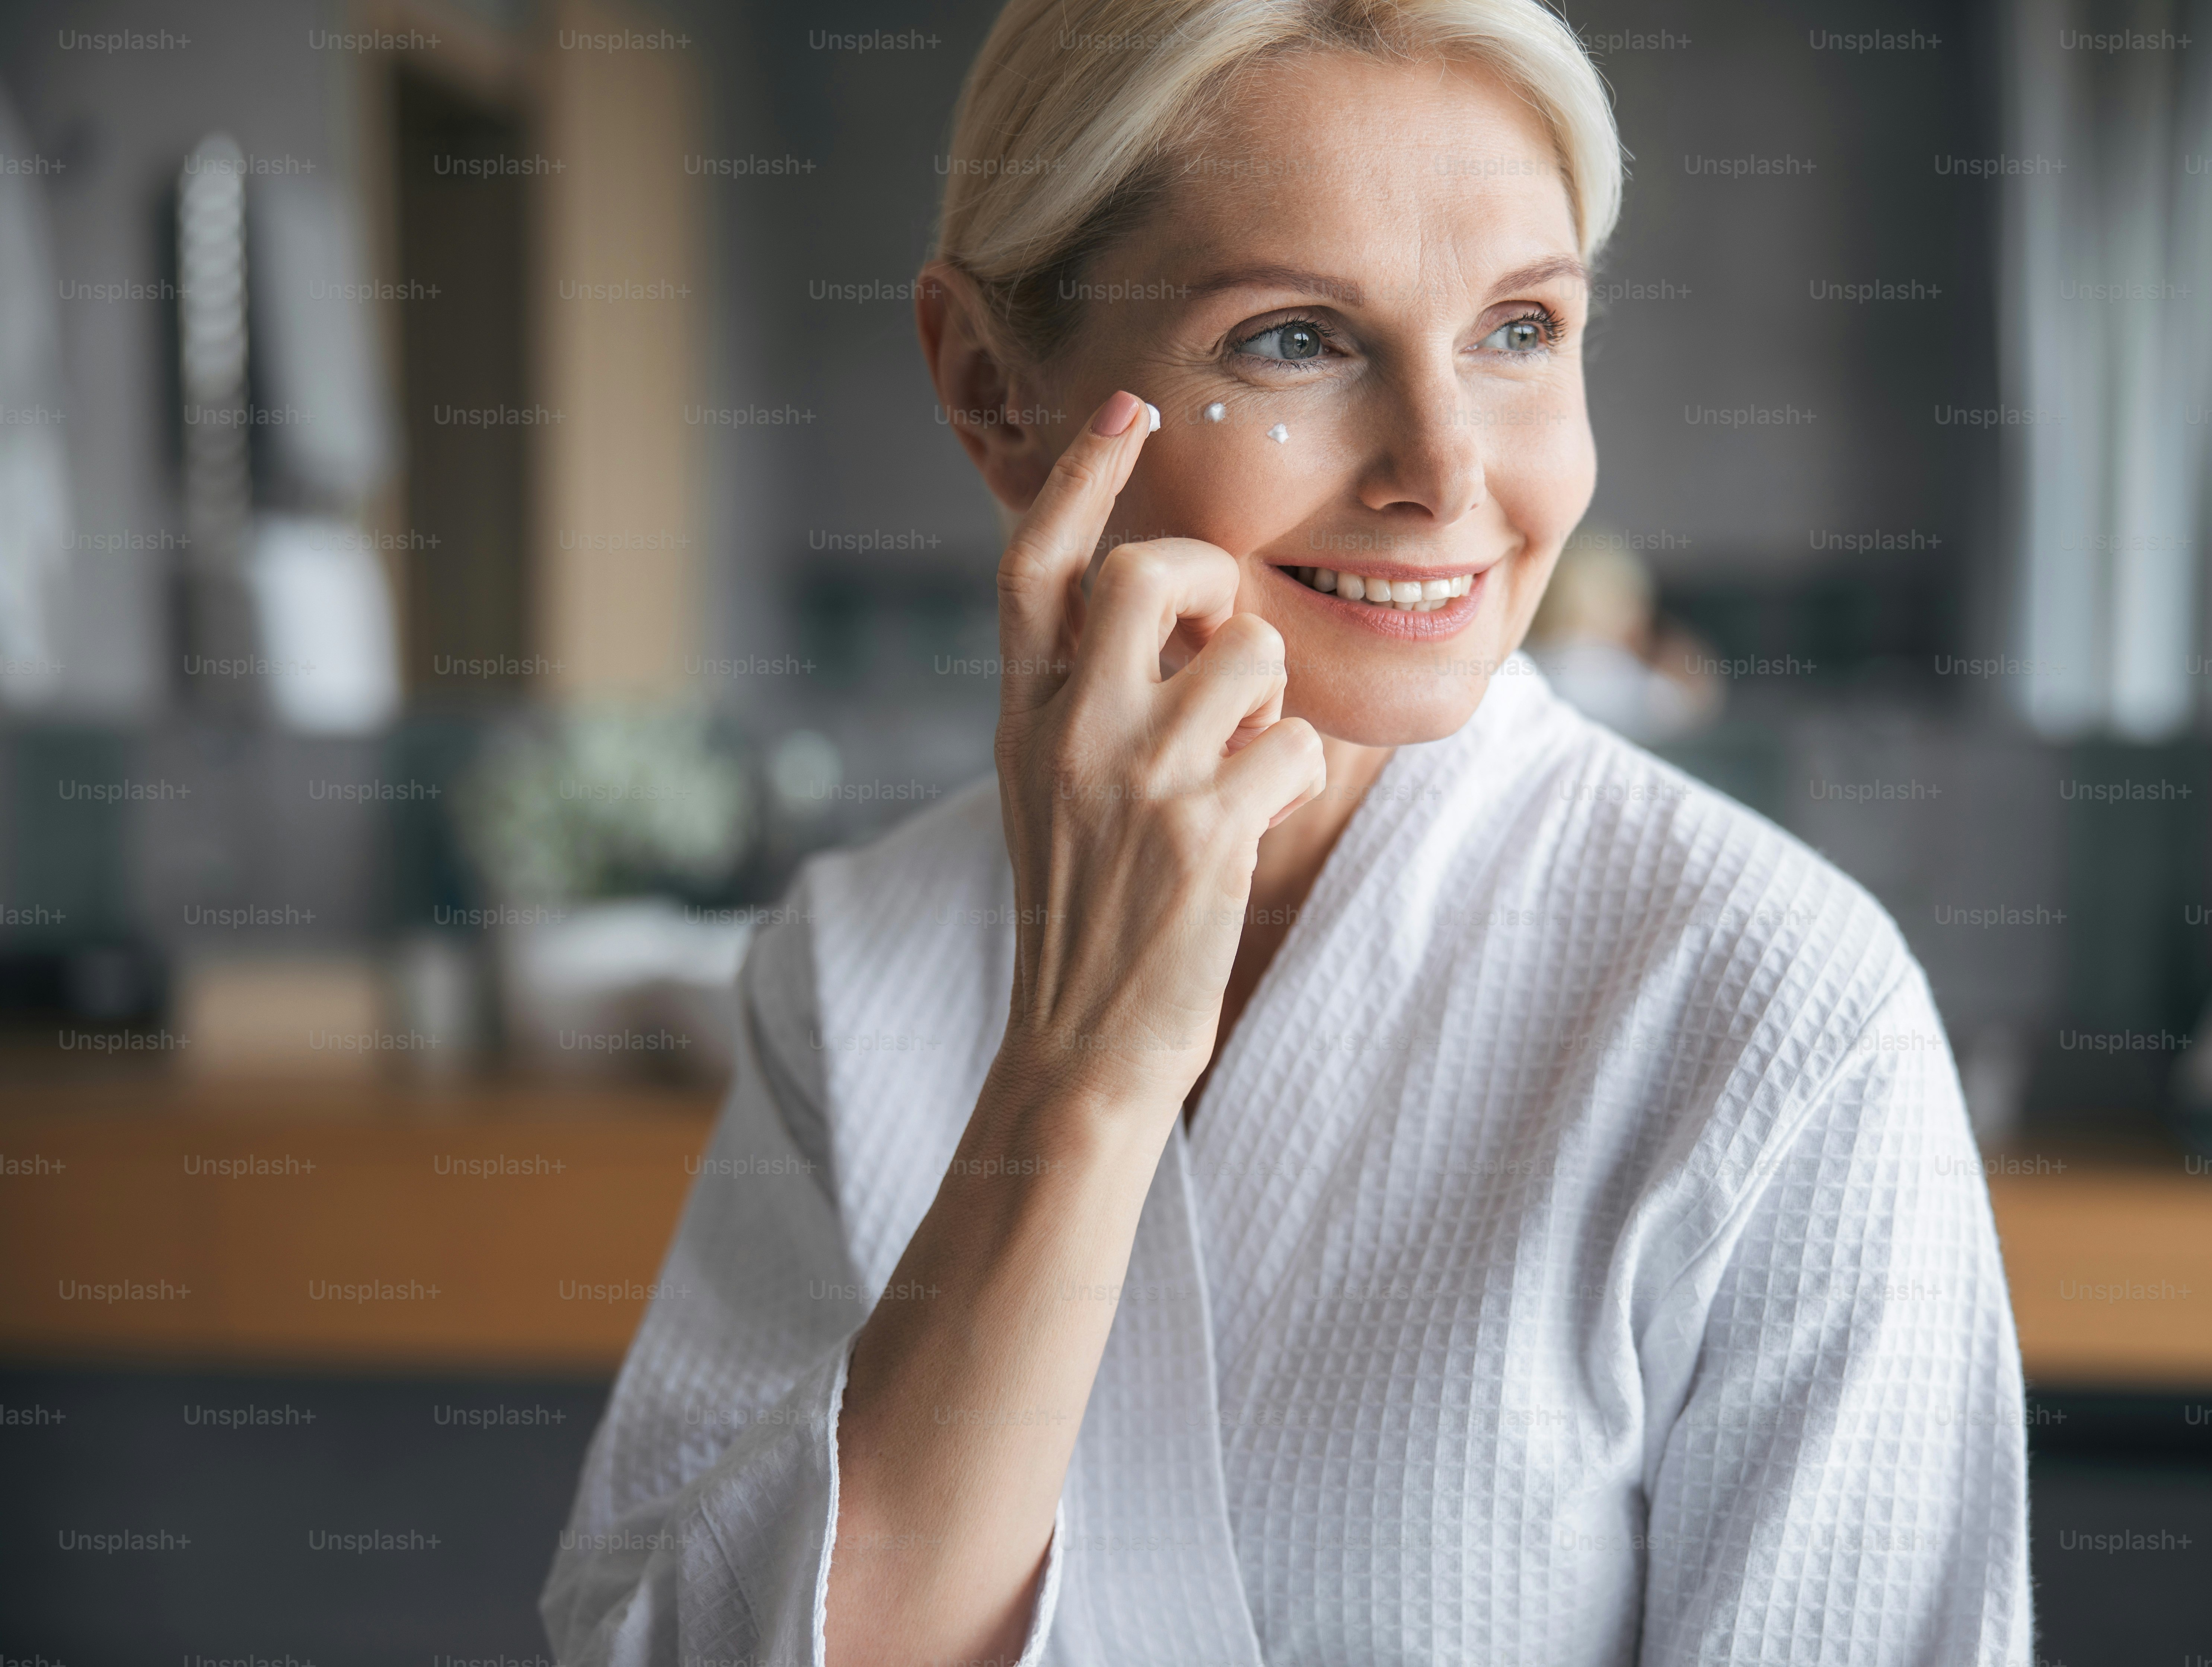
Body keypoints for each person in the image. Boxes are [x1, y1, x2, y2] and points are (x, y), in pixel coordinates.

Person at [542, 2, 2031, 1662]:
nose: (1447, 469)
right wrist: (1079, 1077)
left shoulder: (1783, 1015)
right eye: (1296, 341)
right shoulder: (859, 963)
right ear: (992, 388)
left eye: (1522, 329)